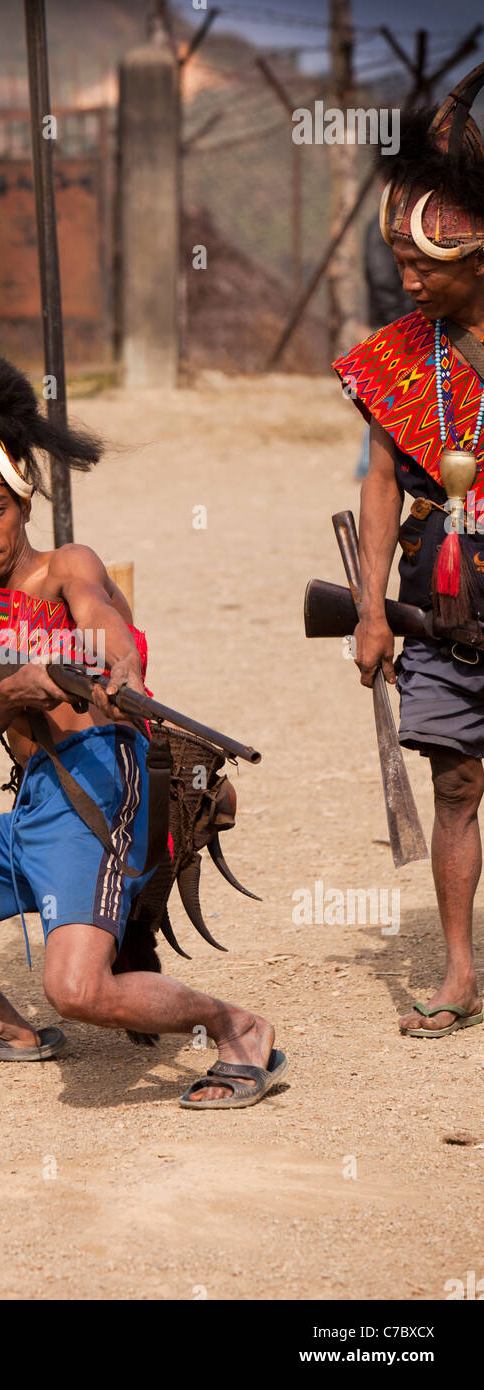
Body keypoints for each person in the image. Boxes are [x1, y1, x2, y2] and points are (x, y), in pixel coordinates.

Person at [0, 330, 287, 1109]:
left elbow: (102, 620)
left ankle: (237, 1027)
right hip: (37, 811)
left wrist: (120, 669)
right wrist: (16, 691)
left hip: (102, 793)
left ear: (21, 504)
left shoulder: (65, 566)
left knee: (76, 991)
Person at [333, 63, 484, 1036]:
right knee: (454, 782)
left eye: (425, 263)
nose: (407, 278)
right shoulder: (398, 359)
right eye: (401, 260)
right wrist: (369, 607)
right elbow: (381, 480)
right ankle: (459, 968)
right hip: (436, 595)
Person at [354, 202, 417, 479]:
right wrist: (402, 321)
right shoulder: (385, 224)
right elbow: (381, 279)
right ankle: (369, 464)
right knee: (384, 398)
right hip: (394, 324)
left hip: (408, 321)